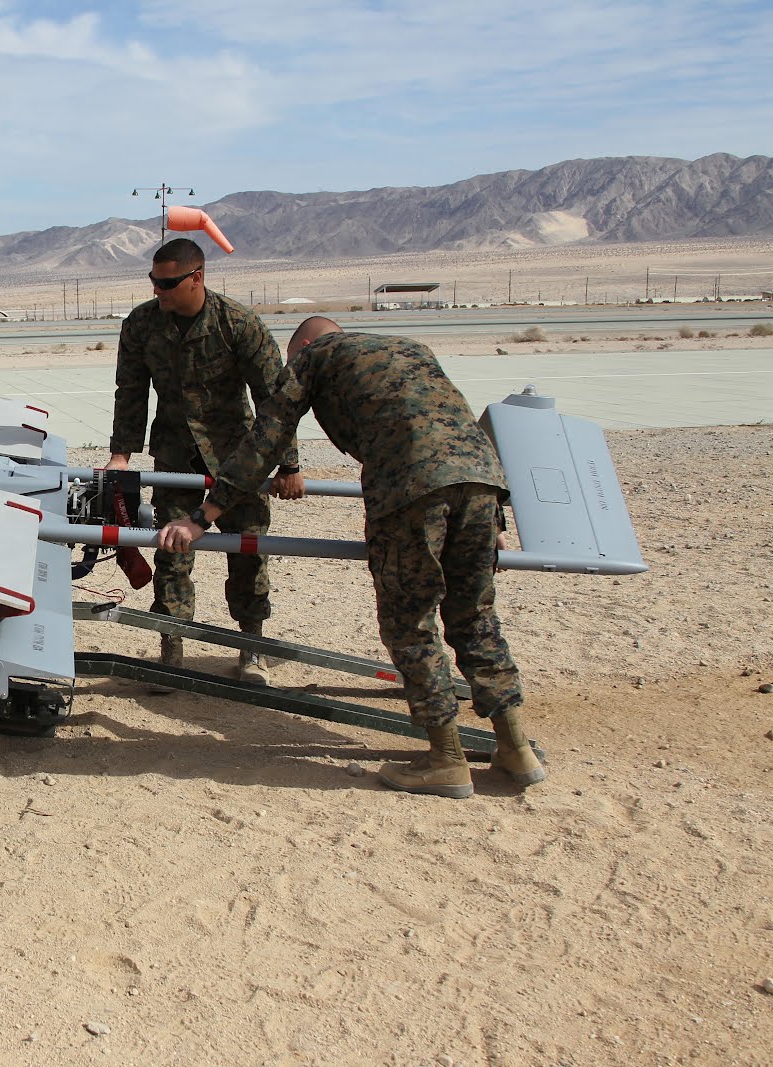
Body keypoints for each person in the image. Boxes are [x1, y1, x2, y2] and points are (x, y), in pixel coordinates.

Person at [155, 316, 546, 799]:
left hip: (410, 489)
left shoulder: (313, 359)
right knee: (474, 617)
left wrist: (202, 517)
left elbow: (265, 439)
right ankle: (515, 747)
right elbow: (457, 423)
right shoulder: (410, 347)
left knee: (411, 621)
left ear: (300, 349)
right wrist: (494, 520)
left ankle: (445, 759)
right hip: (482, 482)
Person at [108, 238, 304, 683]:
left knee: (249, 552)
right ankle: (171, 651)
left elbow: (275, 400)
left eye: (168, 283)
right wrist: (121, 455)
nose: (158, 291)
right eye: (153, 281)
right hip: (176, 457)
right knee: (173, 553)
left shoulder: (238, 323)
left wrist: (288, 465)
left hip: (239, 462)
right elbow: (131, 392)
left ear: (197, 277)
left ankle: (250, 649)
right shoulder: (141, 325)